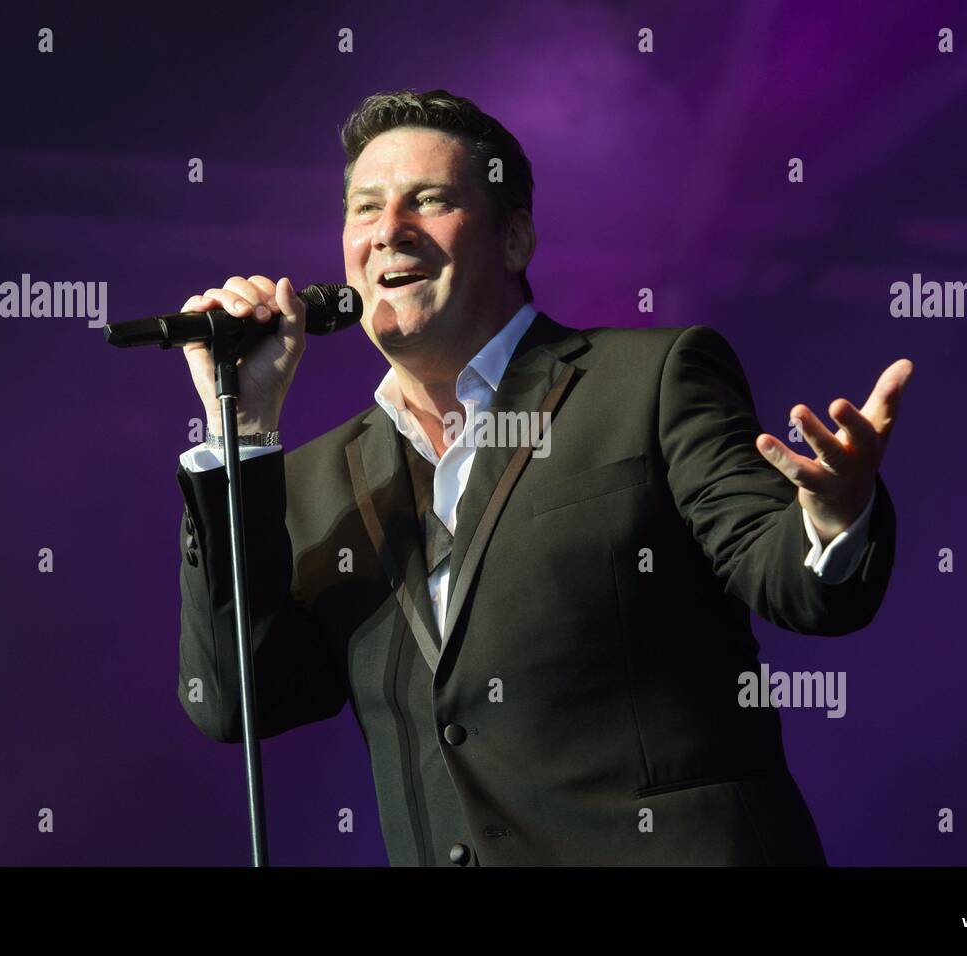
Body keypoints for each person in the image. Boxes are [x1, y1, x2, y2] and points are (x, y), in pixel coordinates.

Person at [172, 88, 912, 866]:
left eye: (429, 200)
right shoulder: (311, 478)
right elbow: (235, 701)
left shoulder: (647, 381)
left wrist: (832, 516)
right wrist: (242, 435)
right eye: (366, 208)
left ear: (515, 237)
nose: (390, 230)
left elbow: (792, 580)